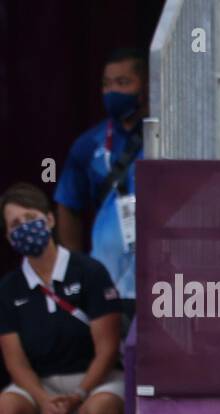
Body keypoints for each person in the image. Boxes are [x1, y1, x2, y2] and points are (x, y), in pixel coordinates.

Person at [0, 183, 125, 414]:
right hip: (39, 386)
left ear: (50, 220)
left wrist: (78, 395)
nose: (24, 228)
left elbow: (107, 348)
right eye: (15, 224)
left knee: (103, 411)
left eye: (31, 218)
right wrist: (44, 400)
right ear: (7, 237)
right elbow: (15, 361)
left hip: (96, 380)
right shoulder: (9, 288)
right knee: (5, 410)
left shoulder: (90, 272)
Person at [54, 48, 146, 320]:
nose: (112, 91)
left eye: (123, 83)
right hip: (108, 283)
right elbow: (67, 205)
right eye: (106, 84)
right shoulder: (88, 144)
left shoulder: (168, 135)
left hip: (162, 282)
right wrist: (76, 269)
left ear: (146, 87)